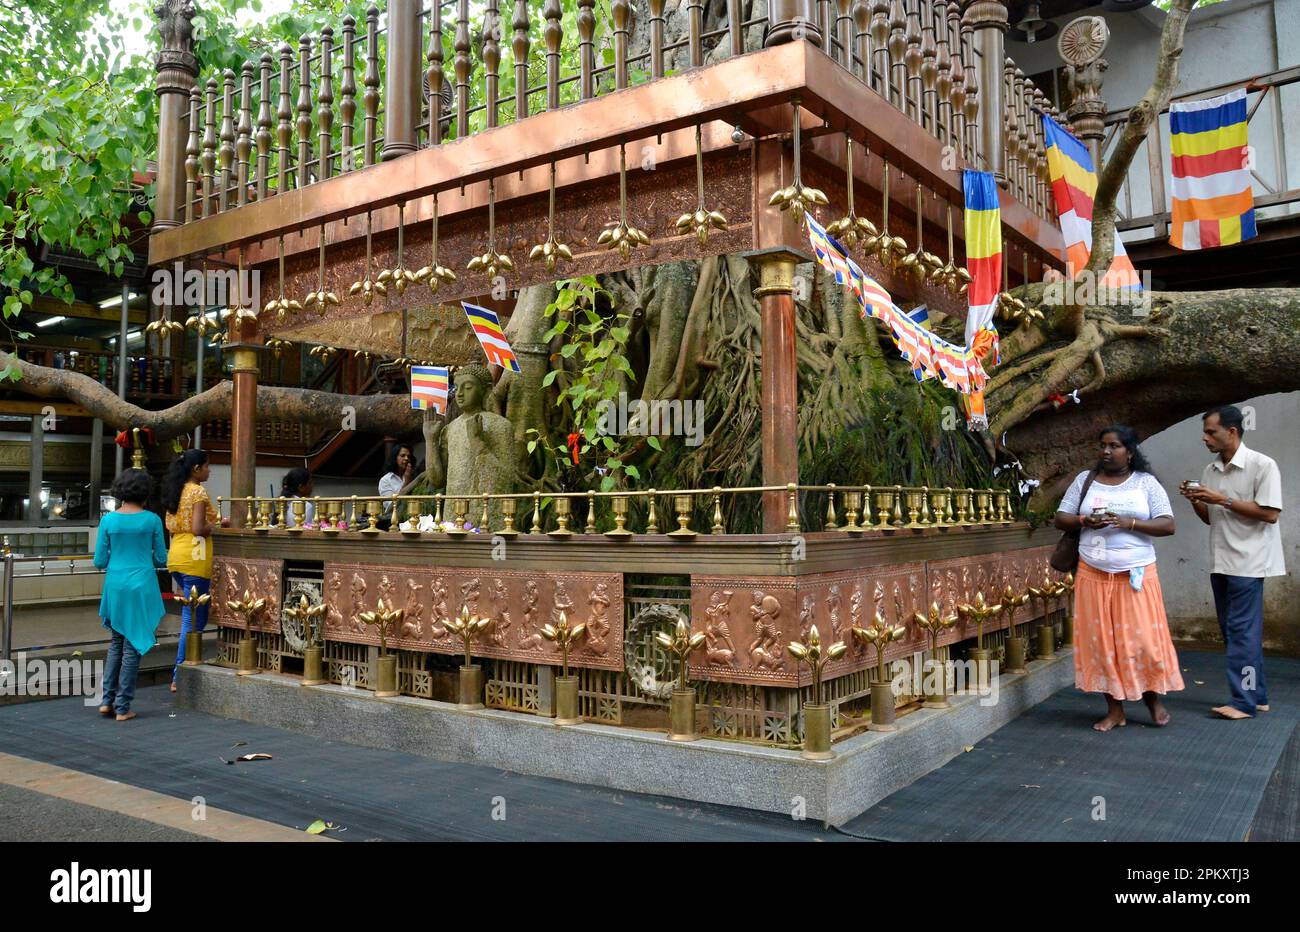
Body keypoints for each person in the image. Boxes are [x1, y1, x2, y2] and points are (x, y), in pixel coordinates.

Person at [1055, 425, 1183, 731]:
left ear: (1131, 451)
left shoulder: (1146, 483)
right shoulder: (1085, 481)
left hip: (1136, 574)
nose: (1106, 451)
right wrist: (1086, 520)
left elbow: (1168, 525)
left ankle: (1152, 698)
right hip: (1092, 573)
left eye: (1114, 446)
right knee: (1100, 644)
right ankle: (1115, 710)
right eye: (1103, 445)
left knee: (1143, 642)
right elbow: (1061, 517)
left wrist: (1130, 523)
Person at [1179, 405, 1284, 720]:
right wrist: (1197, 500)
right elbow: (1212, 520)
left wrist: (1221, 499)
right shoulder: (1211, 471)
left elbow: (1270, 513)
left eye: (1211, 431)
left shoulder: (1262, 465)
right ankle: (1257, 695)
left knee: (1242, 633)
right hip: (1221, 561)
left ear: (1232, 431)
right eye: (1205, 432)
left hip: (1250, 563)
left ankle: (1244, 702)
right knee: (1235, 632)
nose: (1205, 438)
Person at [94, 469, 168, 721]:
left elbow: (99, 560)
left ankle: (106, 700)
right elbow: (161, 558)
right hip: (141, 584)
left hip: (115, 584)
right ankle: (123, 706)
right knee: (133, 645)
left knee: (116, 642)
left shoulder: (108, 521)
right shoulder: (152, 520)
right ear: (146, 493)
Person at [163, 449, 226, 693]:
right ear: (196, 469)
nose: (210, 470)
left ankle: (188, 665)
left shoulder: (175, 490)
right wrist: (221, 523)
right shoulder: (197, 491)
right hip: (195, 557)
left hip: (177, 555)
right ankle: (181, 672)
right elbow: (199, 528)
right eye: (208, 466)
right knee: (193, 619)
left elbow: (175, 526)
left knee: (194, 615)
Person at [377, 442, 419, 529]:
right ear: (395, 458)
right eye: (402, 455)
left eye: (409, 456)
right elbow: (390, 506)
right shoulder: (386, 480)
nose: (406, 458)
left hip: (416, 519)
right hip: (394, 522)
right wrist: (407, 481)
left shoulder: (414, 477)